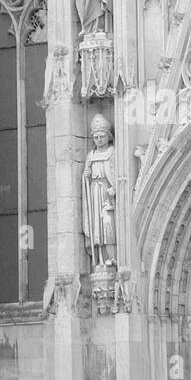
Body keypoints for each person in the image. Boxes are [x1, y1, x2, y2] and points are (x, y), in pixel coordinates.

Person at [82, 114, 117, 270]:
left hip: (106, 194)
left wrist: (114, 188)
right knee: (97, 227)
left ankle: (112, 258)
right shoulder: (91, 155)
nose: (99, 140)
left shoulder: (112, 152)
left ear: (108, 137)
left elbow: (118, 173)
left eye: (102, 136)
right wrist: (86, 176)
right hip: (94, 192)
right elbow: (86, 172)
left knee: (107, 225)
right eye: (95, 137)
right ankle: (100, 259)